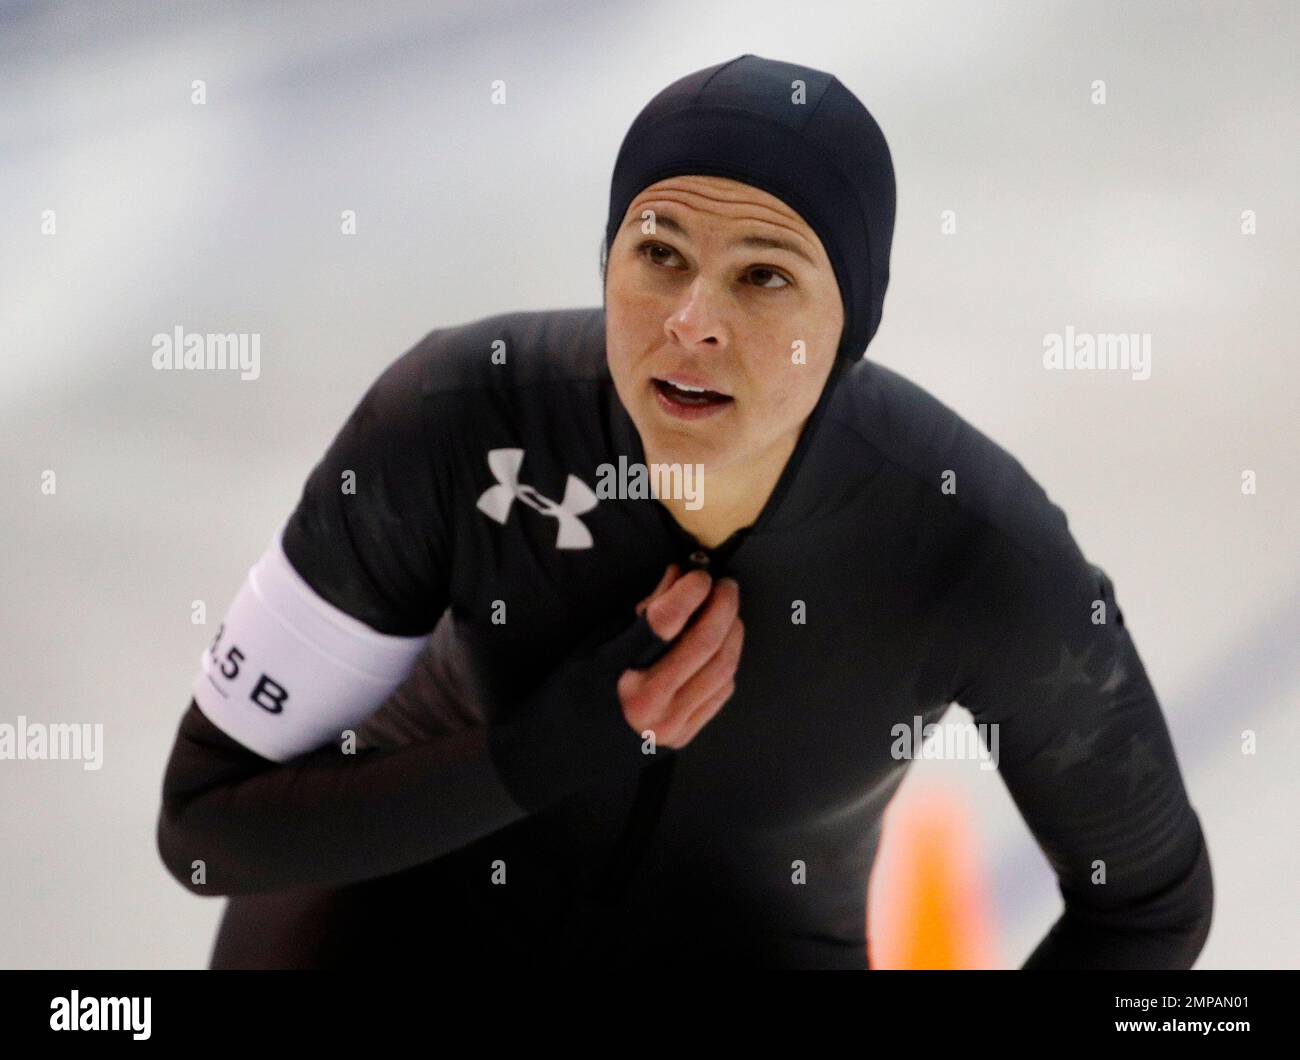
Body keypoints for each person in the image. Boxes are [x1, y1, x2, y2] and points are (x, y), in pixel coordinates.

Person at [156, 54, 1213, 969]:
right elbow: (204, 829)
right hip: (397, 929)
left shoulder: (967, 543)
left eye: (763, 276)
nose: (692, 323)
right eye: (658, 254)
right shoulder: (458, 418)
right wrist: (540, 750)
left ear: (851, 326)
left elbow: (1148, 903)